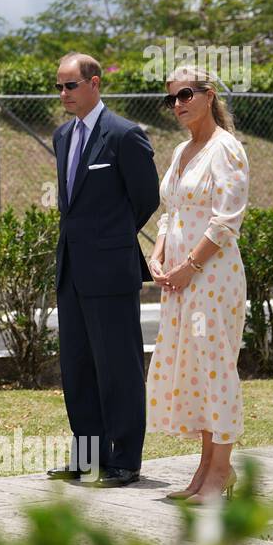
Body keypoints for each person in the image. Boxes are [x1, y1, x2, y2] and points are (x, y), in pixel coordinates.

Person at [46, 54, 160, 487]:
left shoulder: (125, 135)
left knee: (118, 367)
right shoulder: (62, 136)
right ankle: (88, 458)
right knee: (78, 366)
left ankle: (125, 460)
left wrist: (110, 239)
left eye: (70, 86)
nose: (63, 94)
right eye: (58, 87)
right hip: (72, 270)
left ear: (94, 84)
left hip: (111, 270)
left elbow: (145, 198)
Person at [147, 65, 249, 502]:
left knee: (216, 370)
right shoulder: (181, 150)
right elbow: (171, 210)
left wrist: (189, 264)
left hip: (213, 278)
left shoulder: (227, 149)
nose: (178, 104)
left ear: (209, 96)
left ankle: (220, 470)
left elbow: (227, 220)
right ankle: (204, 471)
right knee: (194, 370)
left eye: (186, 94)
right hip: (180, 280)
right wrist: (157, 250)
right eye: (171, 98)